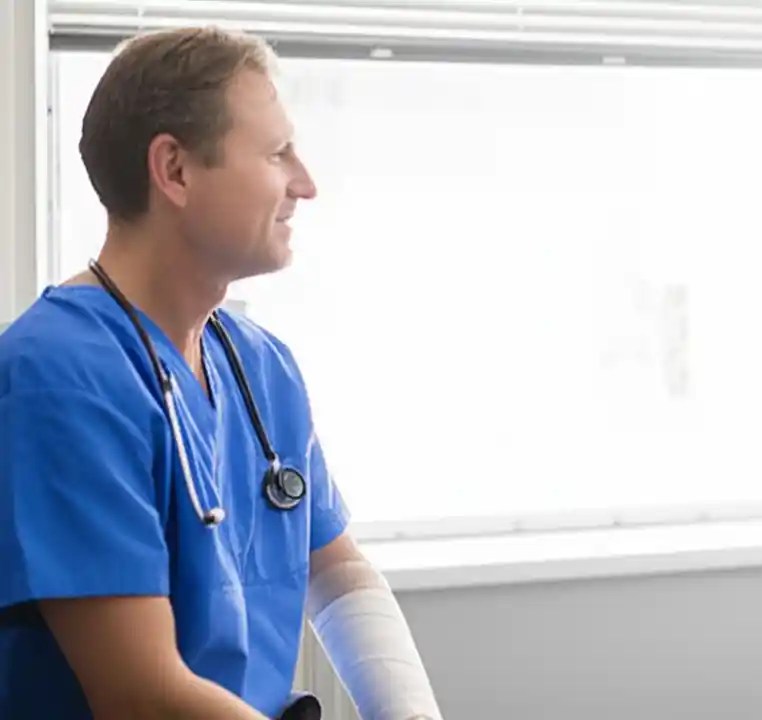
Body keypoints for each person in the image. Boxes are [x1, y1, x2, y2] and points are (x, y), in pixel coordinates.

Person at [0, 27, 442, 719]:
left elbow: (337, 570)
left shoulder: (261, 365)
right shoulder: (58, 377)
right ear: (174, 170)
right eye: (276, 154)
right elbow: (142, 696)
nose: (306, 183)